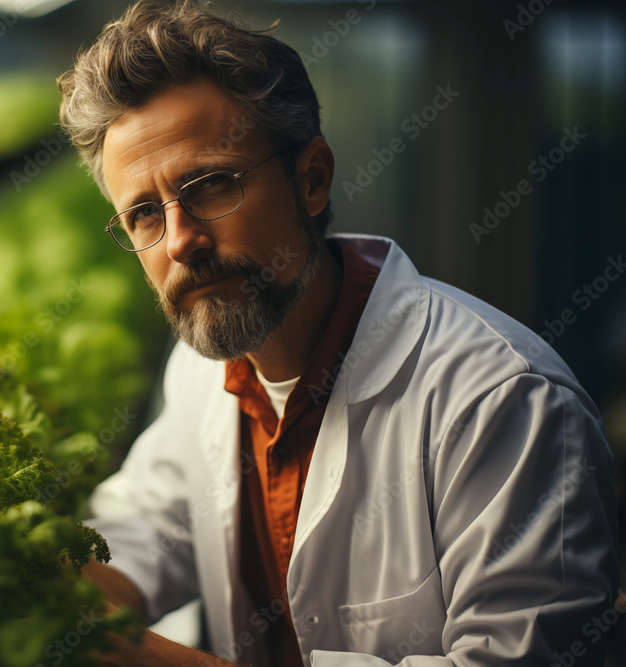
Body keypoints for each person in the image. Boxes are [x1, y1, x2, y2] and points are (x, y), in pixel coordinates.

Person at [56, 1, 620, 665]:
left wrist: (139, 656)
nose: (181, 241)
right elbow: (146, 527)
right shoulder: (207, 367)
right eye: (145, 214)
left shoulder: (507, 403)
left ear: (312, 178)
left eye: (210, 185)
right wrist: (22, 583)